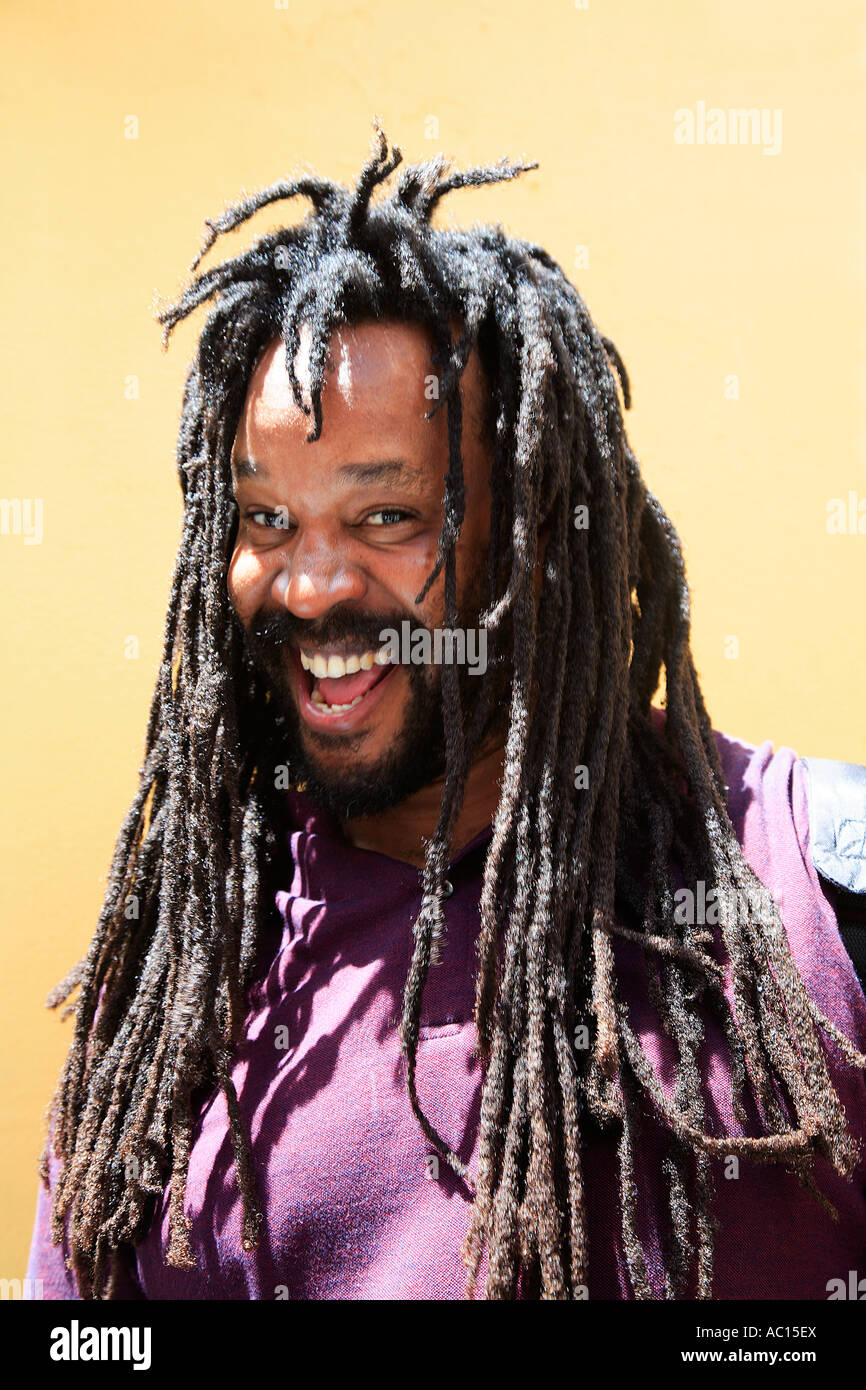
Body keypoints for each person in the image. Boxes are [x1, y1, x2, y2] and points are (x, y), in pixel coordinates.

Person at [26, 124, 866, 1301]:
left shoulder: (818, 891)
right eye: (267, 520)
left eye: (385, 519)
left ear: (529, 538)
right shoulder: (175, 1007)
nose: (310, 586)